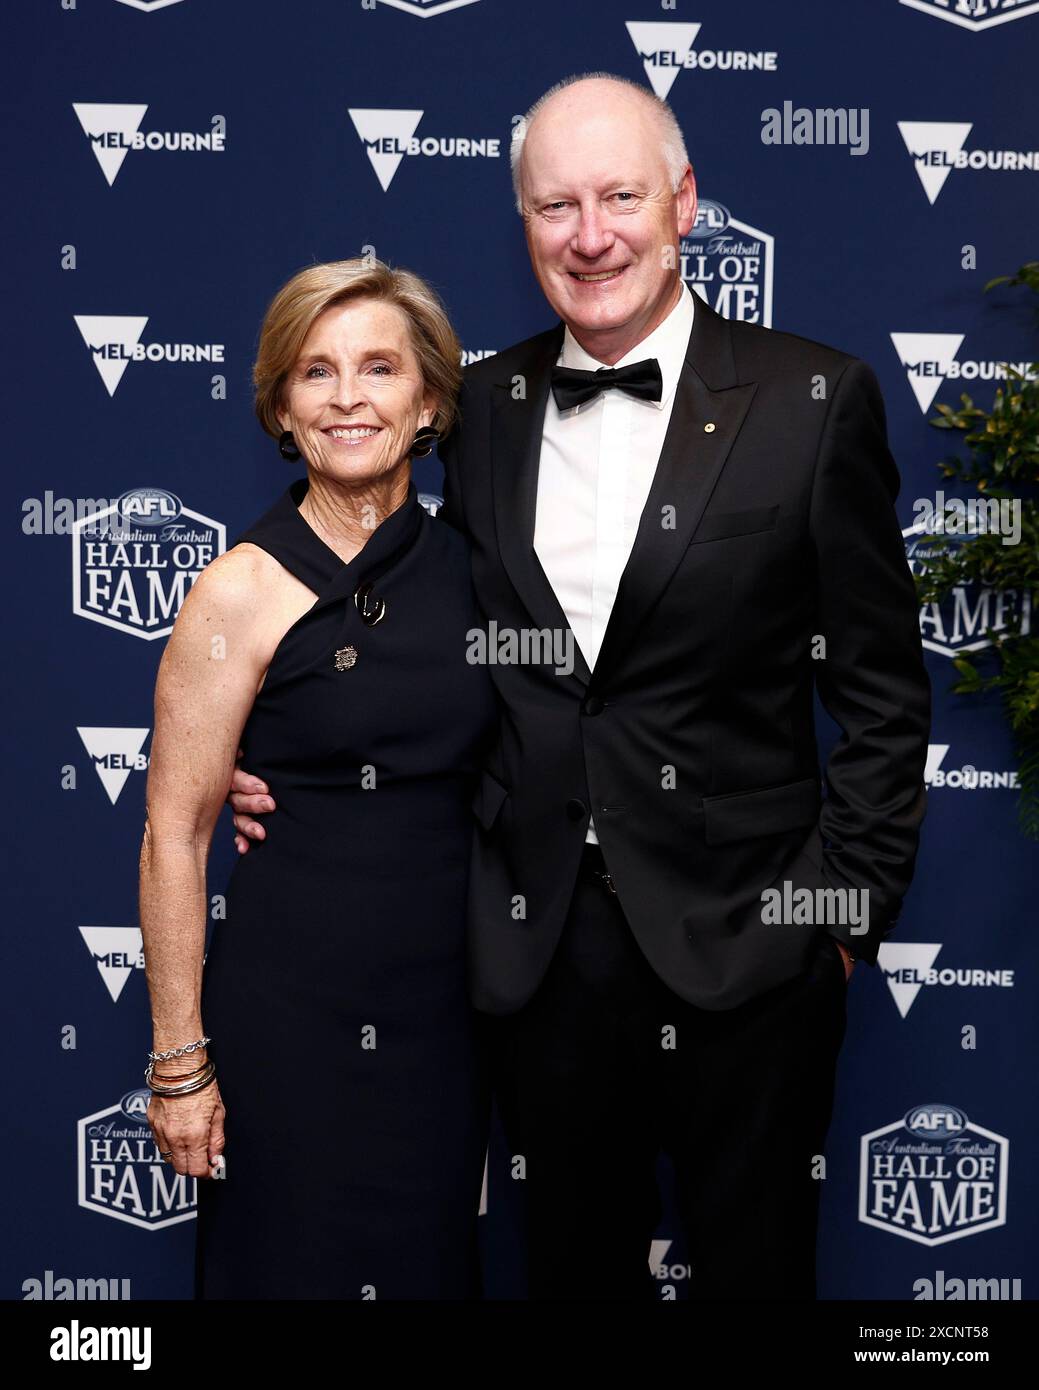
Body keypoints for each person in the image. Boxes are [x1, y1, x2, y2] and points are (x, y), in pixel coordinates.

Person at [230, 74, 931, 1300]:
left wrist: (838, 923)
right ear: (525, 228)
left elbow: (880, 690)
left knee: (757, 1278)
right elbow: (405, 613)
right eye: (555, 205)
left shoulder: (813, 401)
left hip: (752, 946)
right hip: (536, 953)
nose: (589, 233)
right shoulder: (486, 407)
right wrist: (290, 767)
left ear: (684, 204)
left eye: (618, 196)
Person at [139, 259, 497, 1299]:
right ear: (281, 408)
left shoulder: (482, 575)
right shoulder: (237, 590)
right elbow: (174, 830)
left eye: (379, 368)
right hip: (288, 1017)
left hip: (446, 1023)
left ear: (428, 399)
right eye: (316, 372)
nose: (347, 396)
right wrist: (180, 1063)